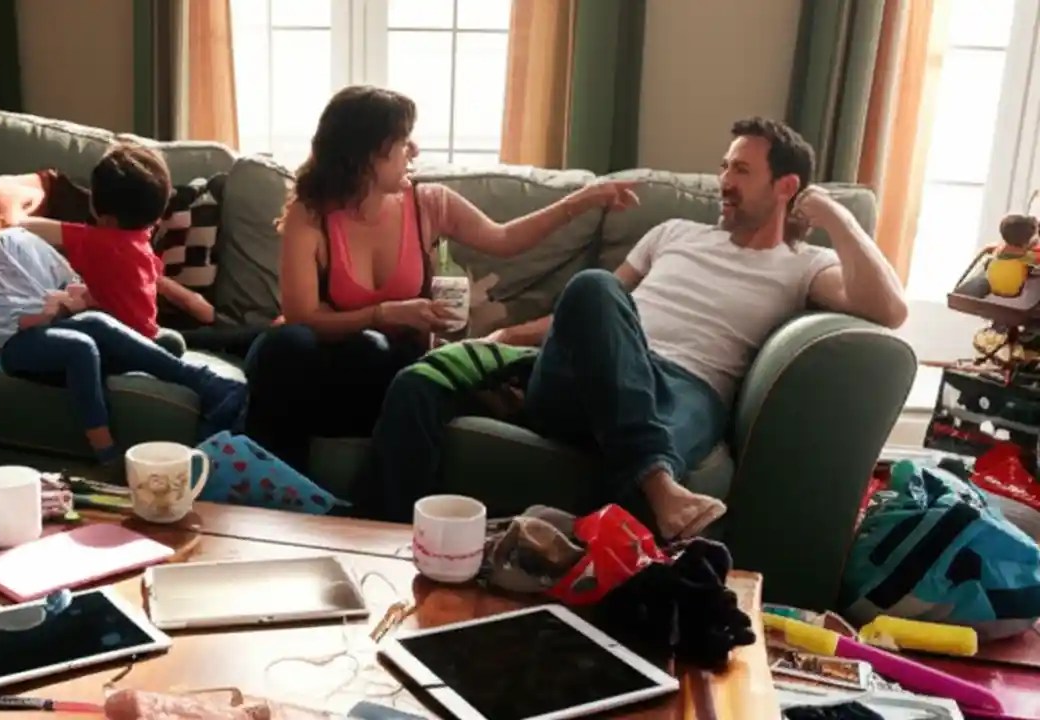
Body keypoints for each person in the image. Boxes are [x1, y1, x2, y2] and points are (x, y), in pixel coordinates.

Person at [369, 117, 908, 539]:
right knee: (588, 290)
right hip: (587, 376)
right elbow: (589, 312)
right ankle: (657, 485)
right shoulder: (671, 232)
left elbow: (889, 310)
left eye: (741, 171)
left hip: (683, 390)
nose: (724, 181)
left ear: (787, 186)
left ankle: (615, 500)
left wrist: (839, 218)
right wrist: (507, 339)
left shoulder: (805, 263)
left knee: (631, 371)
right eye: (725, 166)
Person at [242, 84, 639, 472]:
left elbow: (505, 239)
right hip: (317, 367)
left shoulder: (428, 203)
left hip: (389, 372)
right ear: (365, 155)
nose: (414, 151)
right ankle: (275, 490)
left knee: (379, 354)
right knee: (284, 346)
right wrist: (383, 313)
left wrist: (583, 199)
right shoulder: (310, 215)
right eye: (402, 141)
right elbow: (301, 318)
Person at [0, 227, 245, 469]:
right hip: (19, 344)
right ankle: (108, 455)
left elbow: (72, 292)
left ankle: (208, 383)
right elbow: (19, 320)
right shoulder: (4, 247)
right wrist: (60, 308)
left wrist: (76, 301)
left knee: (100, 323)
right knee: (81, 347)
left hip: (51, 329)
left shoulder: (29, 242)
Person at [16, 142, 216, 357]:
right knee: (172, 340)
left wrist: (15, 214)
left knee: (59, 320)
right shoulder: (142, 239)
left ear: (107, 219)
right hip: (145, 334)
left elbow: (26, 227)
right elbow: (159, 285)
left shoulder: (98, 239)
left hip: (111, 338)